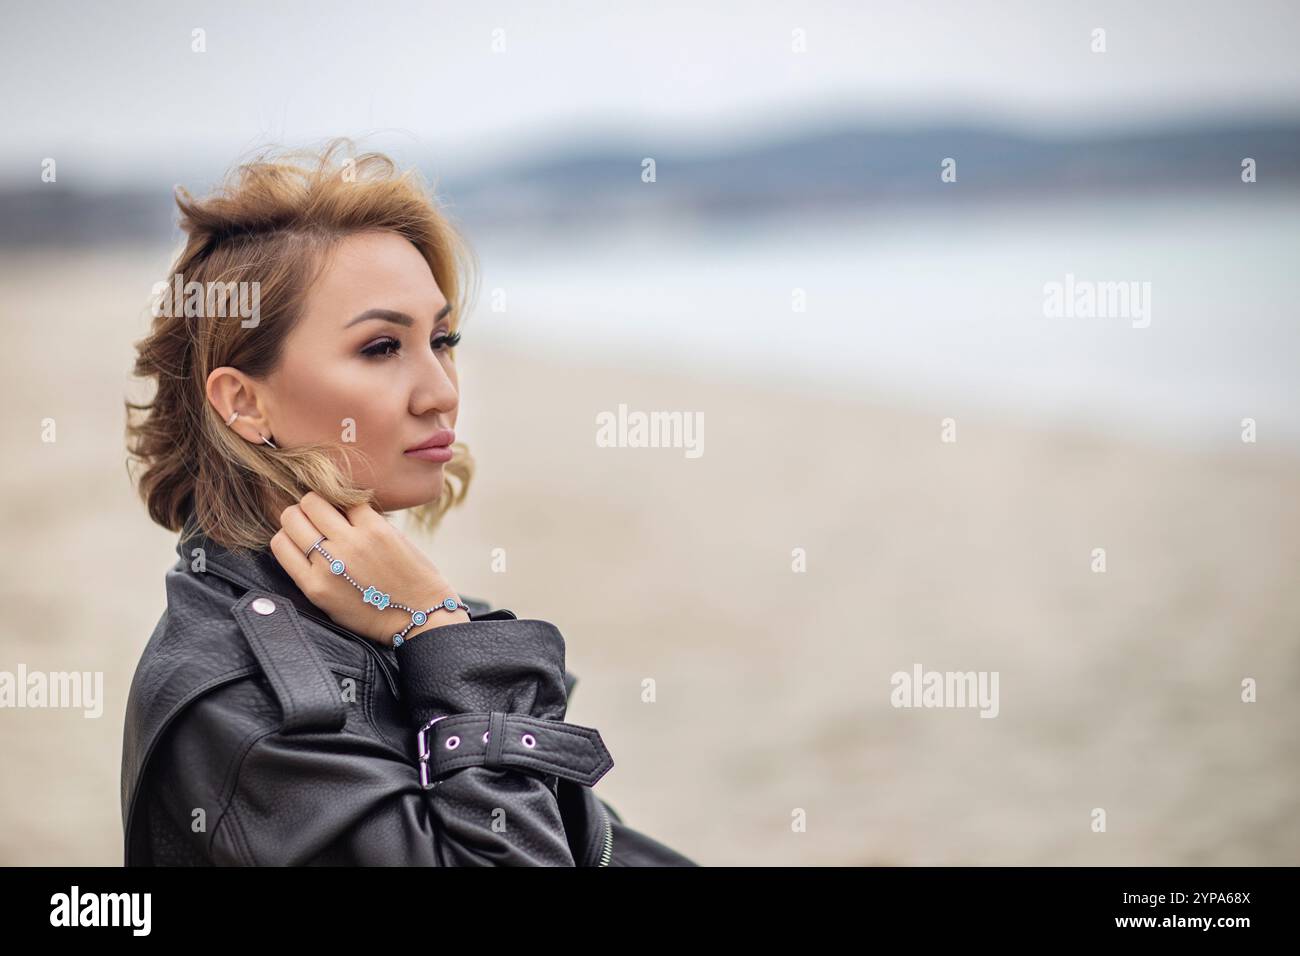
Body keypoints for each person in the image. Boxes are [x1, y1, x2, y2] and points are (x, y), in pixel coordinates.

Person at [119, 138, 697, 866]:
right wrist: (441, 630)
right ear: (244, 402)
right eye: (382, 347)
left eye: (443, 339)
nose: (443, 391)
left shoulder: (357, 615)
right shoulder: (245, 705)